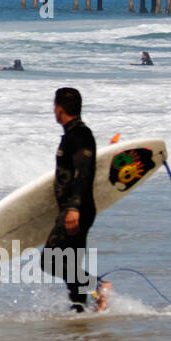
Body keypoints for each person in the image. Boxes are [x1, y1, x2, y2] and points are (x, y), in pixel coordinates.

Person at [43, 87, 109, 312]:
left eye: (54, 107)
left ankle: (97, 286)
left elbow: (84, 172)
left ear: (59, 109)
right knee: (70, 264)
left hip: (76, 210)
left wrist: (73, 208)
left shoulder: (79, 135)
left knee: (49, 261)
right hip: (77, 208)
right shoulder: (74, 134)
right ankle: (80, 311)